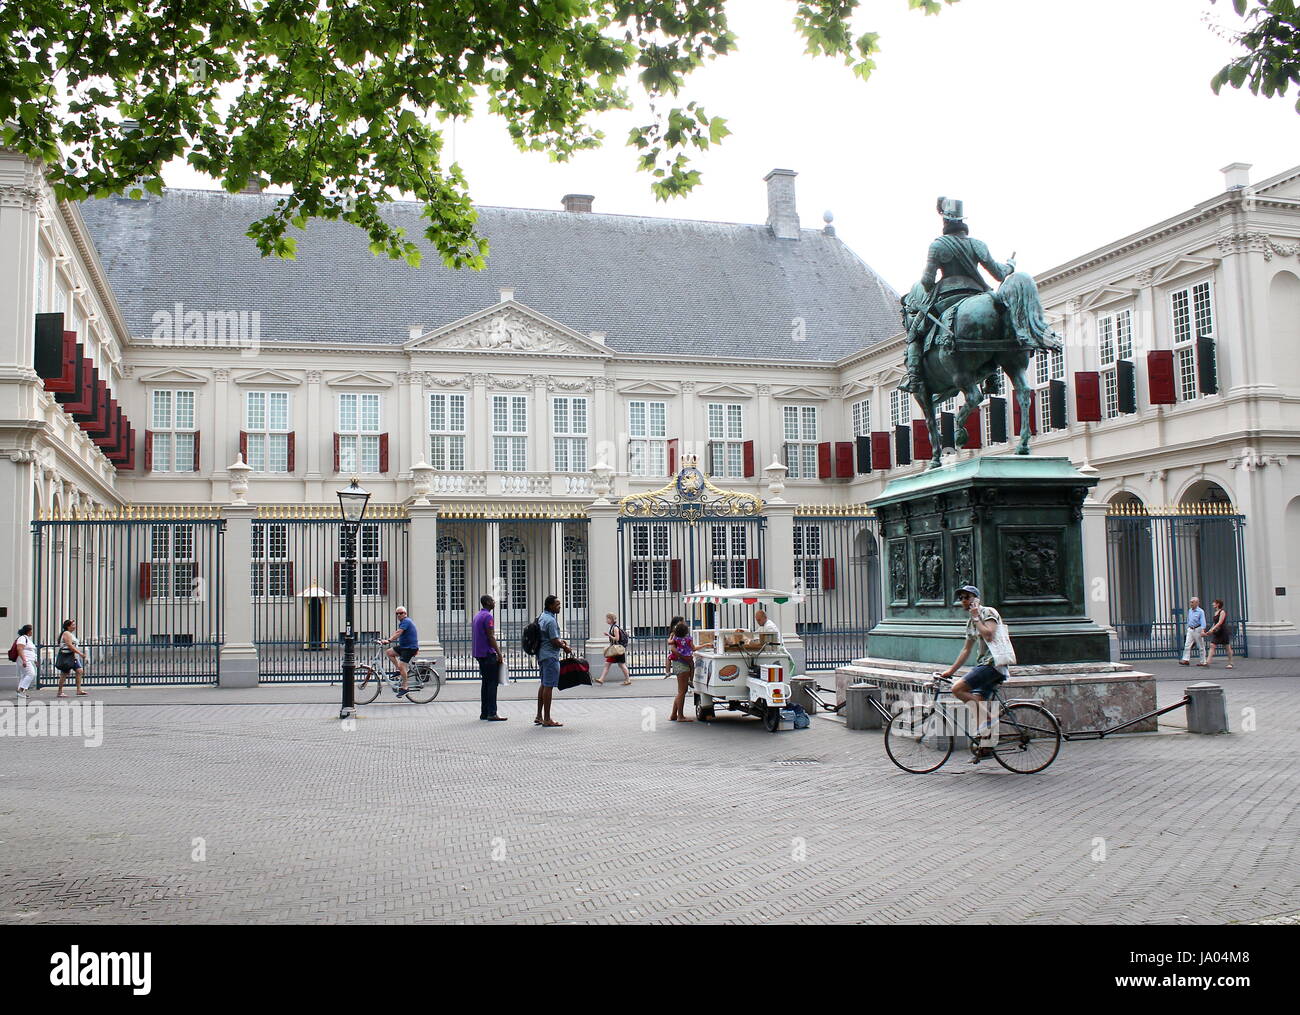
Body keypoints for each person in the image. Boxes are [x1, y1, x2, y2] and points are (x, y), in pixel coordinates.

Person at [899, 197, 1016, 393]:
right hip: (978, 293)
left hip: (947, 297)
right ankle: (992, 378)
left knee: (914, 335)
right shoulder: (978, 245)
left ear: (945, 221)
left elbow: (927, 281)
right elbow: (999, 273)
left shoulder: (938, 246)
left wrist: (928, 291)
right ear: (963, 220)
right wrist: (1010, 266)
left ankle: (915, 379)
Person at [938, 586, 1011, 737]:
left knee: (957, 689)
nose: (964, 601)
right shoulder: (971, 623)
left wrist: (977, 617)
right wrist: (950, 672)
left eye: (967, 597)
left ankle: (991, 720)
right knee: (976, 705)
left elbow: (989, 634)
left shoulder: (988, 612)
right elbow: (966, 650)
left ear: (976, 599)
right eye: (961, 598)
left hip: (993, 664)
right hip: (984, 664)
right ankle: (985, 748)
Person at [534, 594, 571, 728]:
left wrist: (560, 642)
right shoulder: (551, 620)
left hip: (542, 654)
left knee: (544, 684)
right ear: (550, 605)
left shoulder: (542, 617)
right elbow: (554, 641)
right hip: (550, 656)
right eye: (557, 604)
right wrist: (565, 647)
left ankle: (539, 715)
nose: (559, 606)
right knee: (548, 686)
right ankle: (547, 718)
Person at [473, 594, 507, 720]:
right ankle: (492, 713)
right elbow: (491, 636)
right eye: (493, 600)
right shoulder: (488, 616)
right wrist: (498, 653)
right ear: (487, 602)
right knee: (492, 684)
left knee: (485, 683)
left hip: (479, 653)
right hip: (488, 653)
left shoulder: (477, 615)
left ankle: (484, 712)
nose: (494, 602)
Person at [381, 606, 419, 696]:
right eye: (397, 613)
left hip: (410, 648)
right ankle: (398, 670)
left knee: (402, 665)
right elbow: (398, 632)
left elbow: (398, 633)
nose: (398, 615)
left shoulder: (406, 621)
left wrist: (389, 640)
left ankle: (405, 687)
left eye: (401, 613)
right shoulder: (403, 622)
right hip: (404, 646)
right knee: (389, 652)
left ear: (405, 614)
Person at [664, 620, 695, 722]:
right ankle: (680, 716)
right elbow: (673, 649)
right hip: (682, 664)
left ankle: (674, 714)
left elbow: (671, 644)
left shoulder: (674, 637)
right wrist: (685, 657)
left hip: (679, 664)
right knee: (682, 691)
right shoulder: (679, 637)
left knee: (681, 691)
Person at [54, 618, 88, 698]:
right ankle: (60, 691)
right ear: (68, 626)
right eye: (73, 625)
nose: (74, 626)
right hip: (68, 656)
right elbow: (70, 645)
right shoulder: (66, 633)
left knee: (79, 671)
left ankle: (78, 690)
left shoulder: (70, 634)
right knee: (65, 673)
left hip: (73, 656)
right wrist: (80, 653)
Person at [597, 612, 631, 686]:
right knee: (608, 664)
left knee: (621, 665)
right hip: (614, 649)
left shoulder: (615, 628)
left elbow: (617, 638)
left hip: (617, 649)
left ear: (611, 619)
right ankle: (601, 679)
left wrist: (608, 635)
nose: (606, 620)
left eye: (607, 618)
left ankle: (628, 679)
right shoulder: (612, 627)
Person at [1203, 598, 1235, 669]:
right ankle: (1208, 662)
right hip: (1217, 632)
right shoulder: (1215, 612)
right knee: (1212, 645)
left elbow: (1220, 622)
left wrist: (1213, 629)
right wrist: (1210, 630)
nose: (1212, 604)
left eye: (1214, 603)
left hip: (1223, 631)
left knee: (1227, 647)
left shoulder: (1222, 612)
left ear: (1218, 604)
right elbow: (1214, 623)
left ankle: (1230, 662)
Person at [1179, 597, 1207, 666]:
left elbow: (1203, 621)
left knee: (1200, 646)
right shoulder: (1190, 610)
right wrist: (1188, 627)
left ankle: (1203, 661)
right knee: (1187, 645)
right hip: (1191, 629)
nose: (1191, 604)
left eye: (1192, 602)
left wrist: (1203, 630)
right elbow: (1189, 619)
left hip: (1198, 629)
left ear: (1197, 603)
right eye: (1190, 602)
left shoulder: (1200, 611)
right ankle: (1186, 660)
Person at [14, 624, 37, 696]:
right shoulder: (22, 638)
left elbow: (31, 651)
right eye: (31, 630)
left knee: (24, 675)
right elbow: (19, 649)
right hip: (24, 659)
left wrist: (35, 659)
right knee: (31, 674)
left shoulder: (27, 639)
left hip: (28, 659)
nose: (32, 632)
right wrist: (24, 660)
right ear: (28, 631)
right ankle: (21, 690)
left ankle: (20, 692)